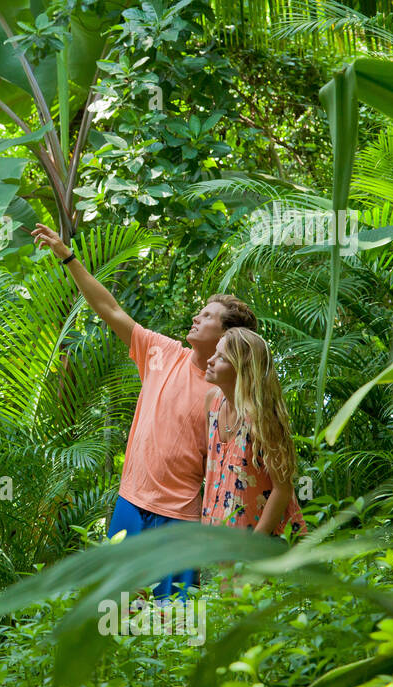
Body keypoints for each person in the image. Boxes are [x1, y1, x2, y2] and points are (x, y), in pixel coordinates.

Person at [31, 223, 257, 601]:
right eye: (199, 312)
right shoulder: (162, 352)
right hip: (130, 503)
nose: (197, 318)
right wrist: (68, 258)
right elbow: (109, 308)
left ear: (227, 335)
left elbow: (234, 470)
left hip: (181, 519)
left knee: (171, 619)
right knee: (118, 609)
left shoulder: (229, 392)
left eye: (207, 316)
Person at [201, 328, 307, 546]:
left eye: (221, 357)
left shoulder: (261, 417)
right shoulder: (212, 402)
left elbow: (283, 488)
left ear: (242, 368)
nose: (210, 360)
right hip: (221, 538)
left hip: (265, 542)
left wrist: (254, 547)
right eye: (214, 353)